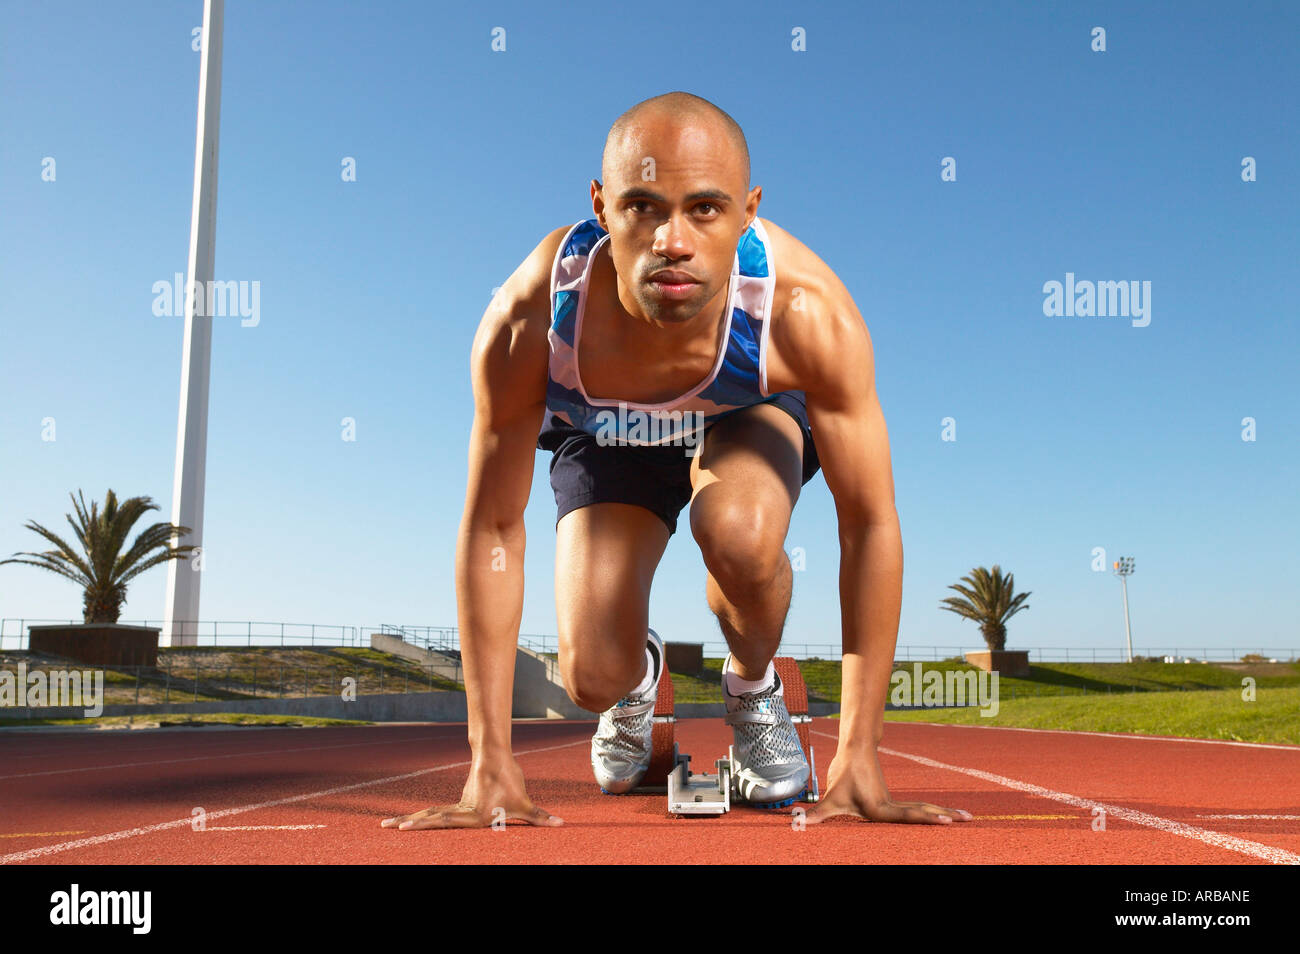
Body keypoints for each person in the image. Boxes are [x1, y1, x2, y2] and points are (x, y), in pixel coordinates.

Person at [382, 91, 972, 829]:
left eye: (705, 209)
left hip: (744, 416)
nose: (672, 240)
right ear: (600, 206)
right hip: (609, 433)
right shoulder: (529, 319)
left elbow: (870, 525)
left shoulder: (805, 313)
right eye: (642, 208)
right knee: (590, 674)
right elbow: (494, 529)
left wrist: (861, 752)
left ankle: (753, 690)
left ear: (748, 210)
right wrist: (488, 760)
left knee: (739, 531)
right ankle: (636, 677)